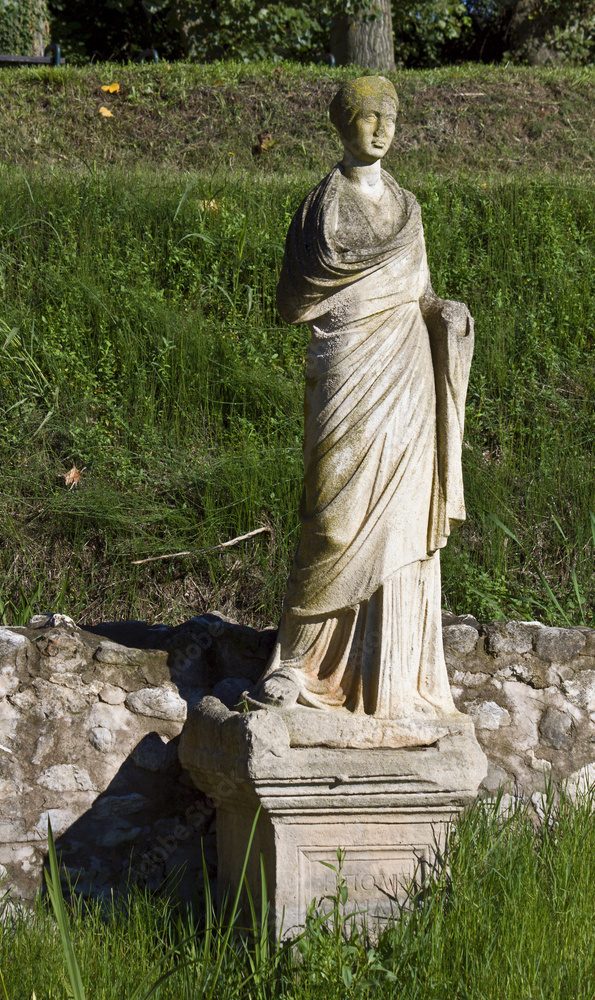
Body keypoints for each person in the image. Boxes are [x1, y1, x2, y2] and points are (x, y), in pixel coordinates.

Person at [252, 76, 474, 719]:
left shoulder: (409, 209)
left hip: (406, 373)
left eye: (389, 116)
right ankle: (296, 663)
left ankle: (392, 680)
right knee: (333, 517)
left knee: (400, 521)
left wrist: (445, 315)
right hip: (347, 367)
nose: (380, 127)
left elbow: (420, 293)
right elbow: (292, 301)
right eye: (367, 115)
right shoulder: (319, 211)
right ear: (342, 123)